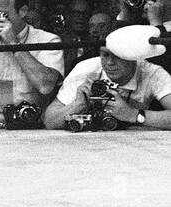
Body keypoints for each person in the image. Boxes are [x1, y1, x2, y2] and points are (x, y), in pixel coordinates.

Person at [42, 29, 171, 131]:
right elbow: (49, 120)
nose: (109, 63)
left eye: (117, 56)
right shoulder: (85, 69)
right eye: (105, 55)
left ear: (134, 56)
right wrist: (77, 105)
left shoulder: (152, 73)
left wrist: (133, 115)